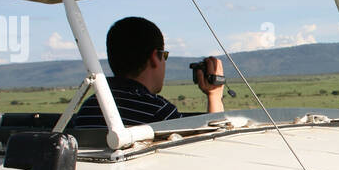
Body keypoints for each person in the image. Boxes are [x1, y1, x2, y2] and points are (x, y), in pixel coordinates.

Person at [71, 16, 226, 128]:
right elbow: (209, 148)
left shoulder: (88, 109)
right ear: (154, 57)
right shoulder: (158, 112)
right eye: (164, 55)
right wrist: (214, 96)